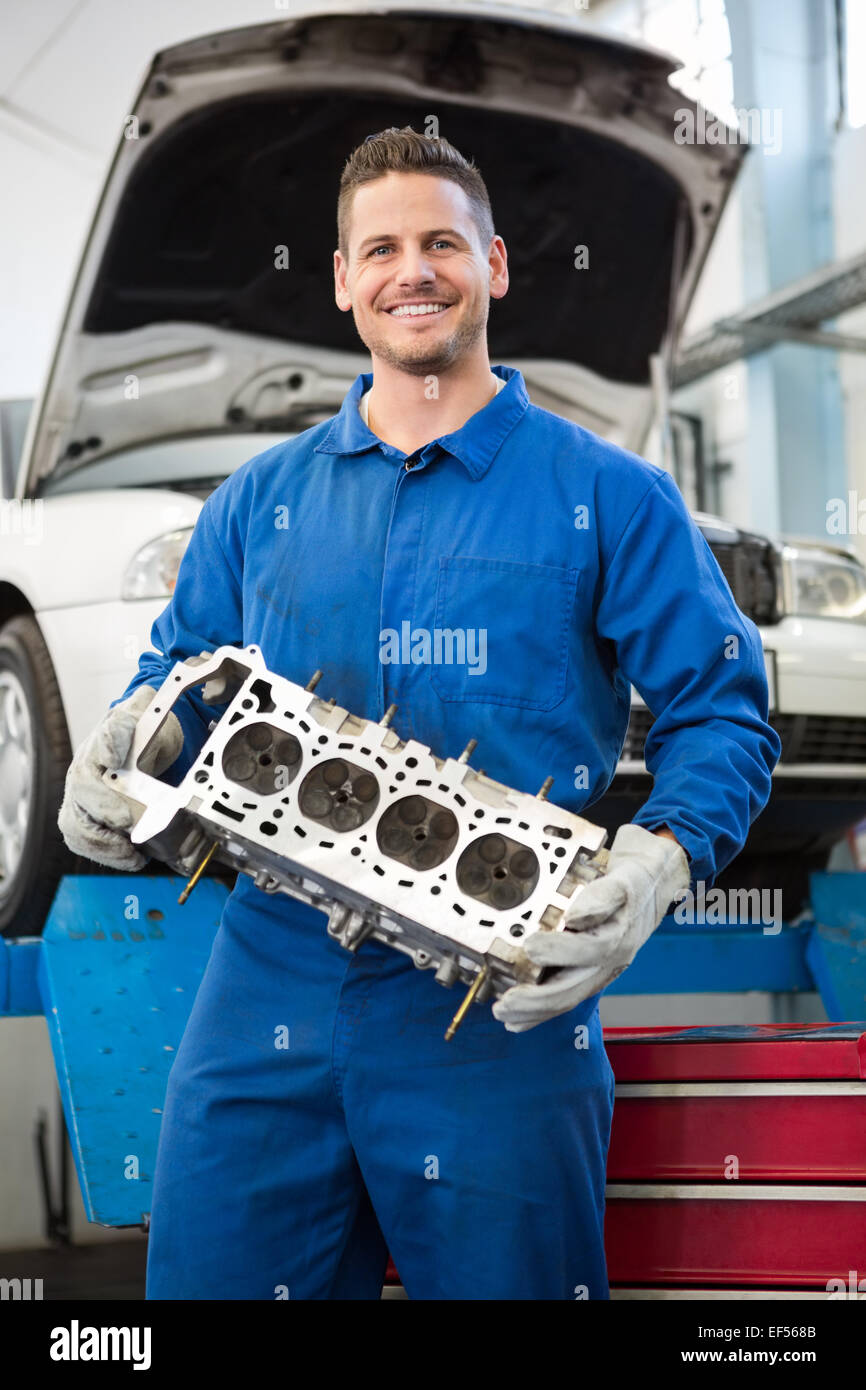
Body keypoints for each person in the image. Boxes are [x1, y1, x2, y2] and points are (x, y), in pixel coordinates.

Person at [58, 127, 780, 1300]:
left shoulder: (609, 496)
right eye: (380, 247)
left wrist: (656, 862)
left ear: (493, 264)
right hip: (268, 981)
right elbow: (179, 677)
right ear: (342, 280)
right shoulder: (256, 503)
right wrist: (127, 742)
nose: (413, 270)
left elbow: (724, 714)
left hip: (500, 1002)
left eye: (441, 241)